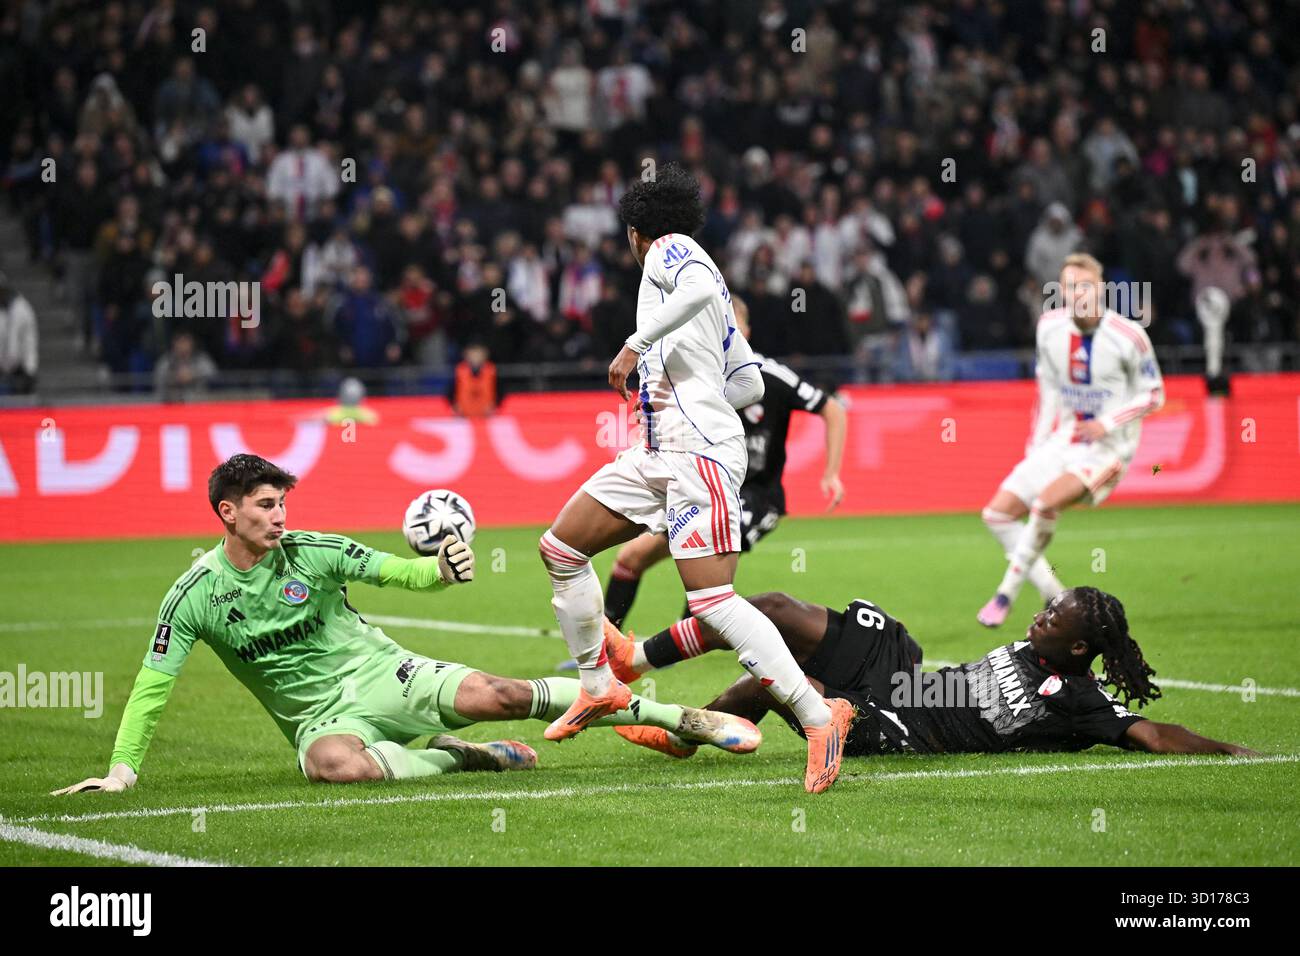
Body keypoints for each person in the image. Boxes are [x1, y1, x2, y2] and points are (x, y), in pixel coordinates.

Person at [51, 454, 759, 795]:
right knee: (333, 767)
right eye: (265, 505)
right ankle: (462, 756)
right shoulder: (195, 595)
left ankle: (677, 717)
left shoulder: (314, 551)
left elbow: (399, 572)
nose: (280, 516)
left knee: (504, 696)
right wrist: (121, 772)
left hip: (382, 674)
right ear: (227, 513)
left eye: (282, 504)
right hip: (322, 720)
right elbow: (152, 683)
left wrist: (443, 571)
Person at [536, 164, 853, 794]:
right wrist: (698, 390)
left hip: (695, 453)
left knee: (712, 602)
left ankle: (822, 717)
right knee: (562, 548)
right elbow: (751, 383)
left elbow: (701, 290)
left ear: (634, 234)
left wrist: (635, 345)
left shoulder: (671, 253)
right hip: (659, 450)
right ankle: (599, 688)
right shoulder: (708, 297)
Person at [601, 587, 1256, 760]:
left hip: (892, 726)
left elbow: (1155, 736)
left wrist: (1235, 750)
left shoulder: (1076, 699)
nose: (1041, 613)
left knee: (772, 679)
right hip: (904, 677)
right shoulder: (1037, 650)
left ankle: (682, 732)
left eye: (1055, 615)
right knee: (773, 612)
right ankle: (640, 655)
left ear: (1080, 644)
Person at [603, 294, 847, 629]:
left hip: (755, 496)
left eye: (730, 322)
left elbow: (832, 409)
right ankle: (605, 649)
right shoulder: (691, 378)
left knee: (706, 581)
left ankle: (674, 649)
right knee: (631, 558)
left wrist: (831, 473)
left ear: (744, 331)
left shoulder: (770, 375)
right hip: (700, 486)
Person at [976, 253, 1165, 627]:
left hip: (1108, 449)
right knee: (996, 514)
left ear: (1100, 289)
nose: (1074, 294)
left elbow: (1154, 394)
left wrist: (1108, 423)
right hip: (1064, 439)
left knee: (1045, 504)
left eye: (1082, 286)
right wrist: (1036, 445)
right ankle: (1054, 594)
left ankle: (1005, 593)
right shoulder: (1049, 326)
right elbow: (1047, 388)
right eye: (1066, 287)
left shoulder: (1129, 336)